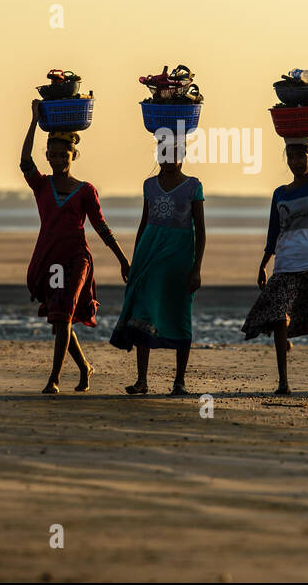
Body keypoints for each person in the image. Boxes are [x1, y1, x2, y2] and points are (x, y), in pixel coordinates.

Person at [20, 100, 130, 394]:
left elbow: (102, 227)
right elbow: (24, 162)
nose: (57, 160)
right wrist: (33, 120)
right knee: (59, 320)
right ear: (47, 155)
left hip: (77, 260)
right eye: (52, 155)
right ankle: (84, 367)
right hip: (52, 261)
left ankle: (53, 378)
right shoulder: (41, 186)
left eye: (63, 154)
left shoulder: (85, 191)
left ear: (74, 154)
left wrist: (122, 259)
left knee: (66, 312)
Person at [242, 99, 308, 395]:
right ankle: (283, 381)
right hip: (286, 263)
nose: (296, 161)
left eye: (301, 156)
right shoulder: (280, 193)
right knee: (278, 317)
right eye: (291, 156)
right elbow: (274, 230)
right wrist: (264, 262)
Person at [110, 134, 206, 396]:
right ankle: (142, 381)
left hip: (179, 261)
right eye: (162, 153)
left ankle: (179, 382)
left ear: (182, 156)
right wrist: (133, 260)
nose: (167, 159)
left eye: (173, 153)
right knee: (143, 312)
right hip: (148, 258)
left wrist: (196, 268)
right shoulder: (149, 185)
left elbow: (201, 230)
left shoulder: (193, 186)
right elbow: (144, 223)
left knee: (180, 314)